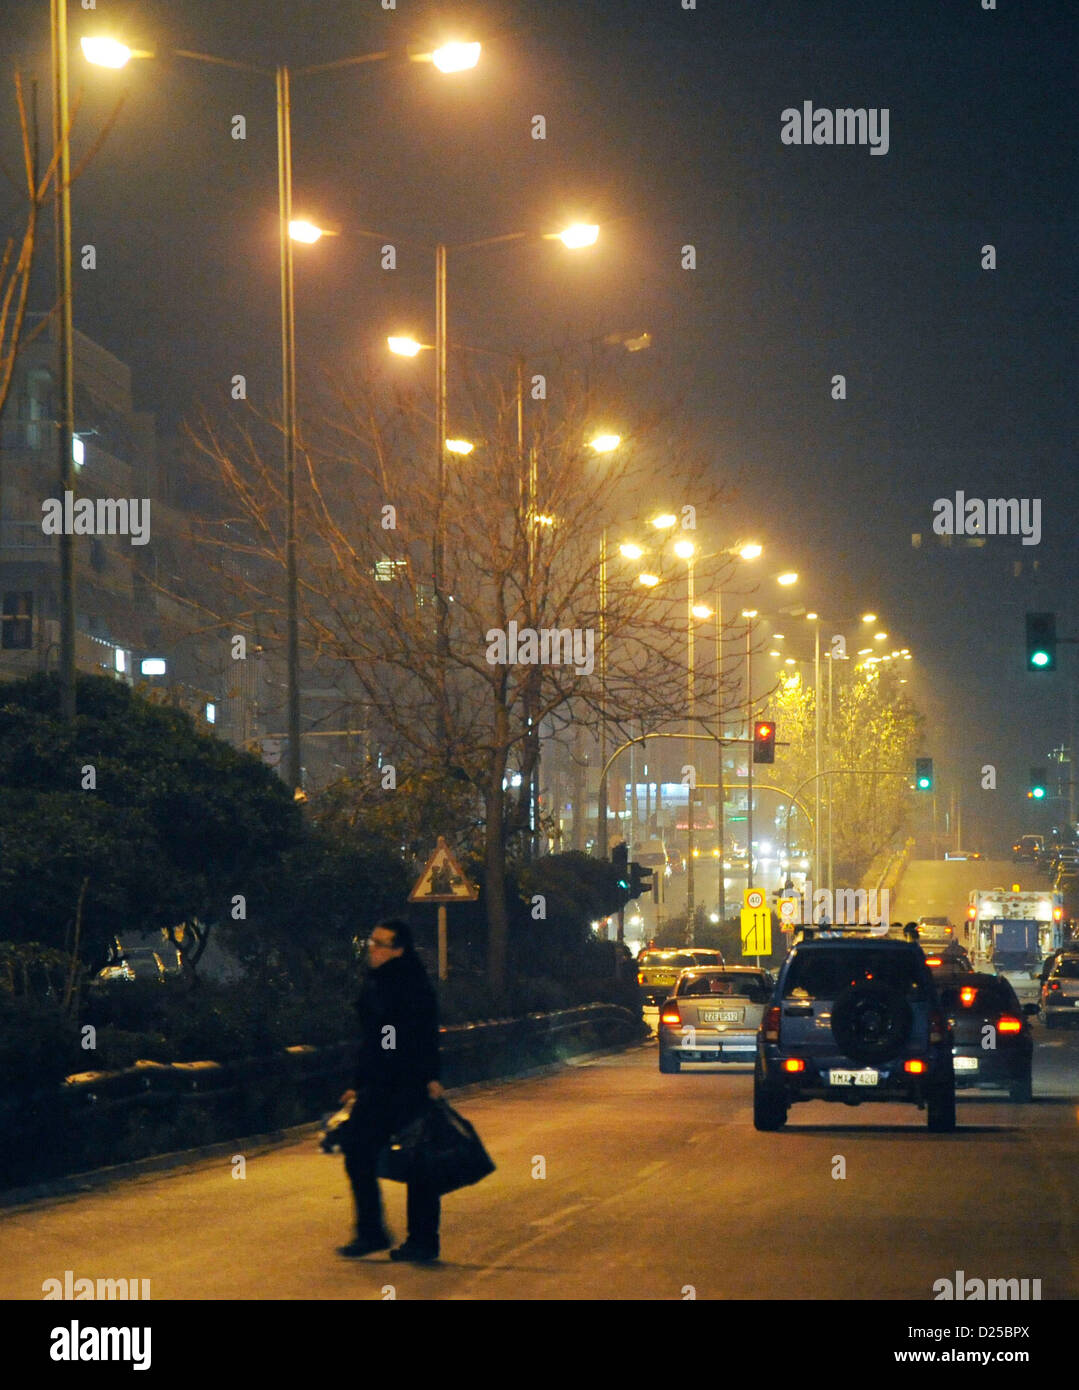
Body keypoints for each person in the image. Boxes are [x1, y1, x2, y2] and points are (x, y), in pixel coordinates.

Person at [337, 917, 444, 1263]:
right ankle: (376, 1231)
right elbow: (370, 1040)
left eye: (381, 945)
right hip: (381, 1085)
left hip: (405, 1084)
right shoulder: (378, 982)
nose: (374, 950)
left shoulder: (410, 985)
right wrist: (358, 1083)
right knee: (359, 1150)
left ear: (398, 949)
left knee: (417, 1160)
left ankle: (418, 1239)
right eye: (372, 943)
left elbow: (423, 1034)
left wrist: (430, 1077)